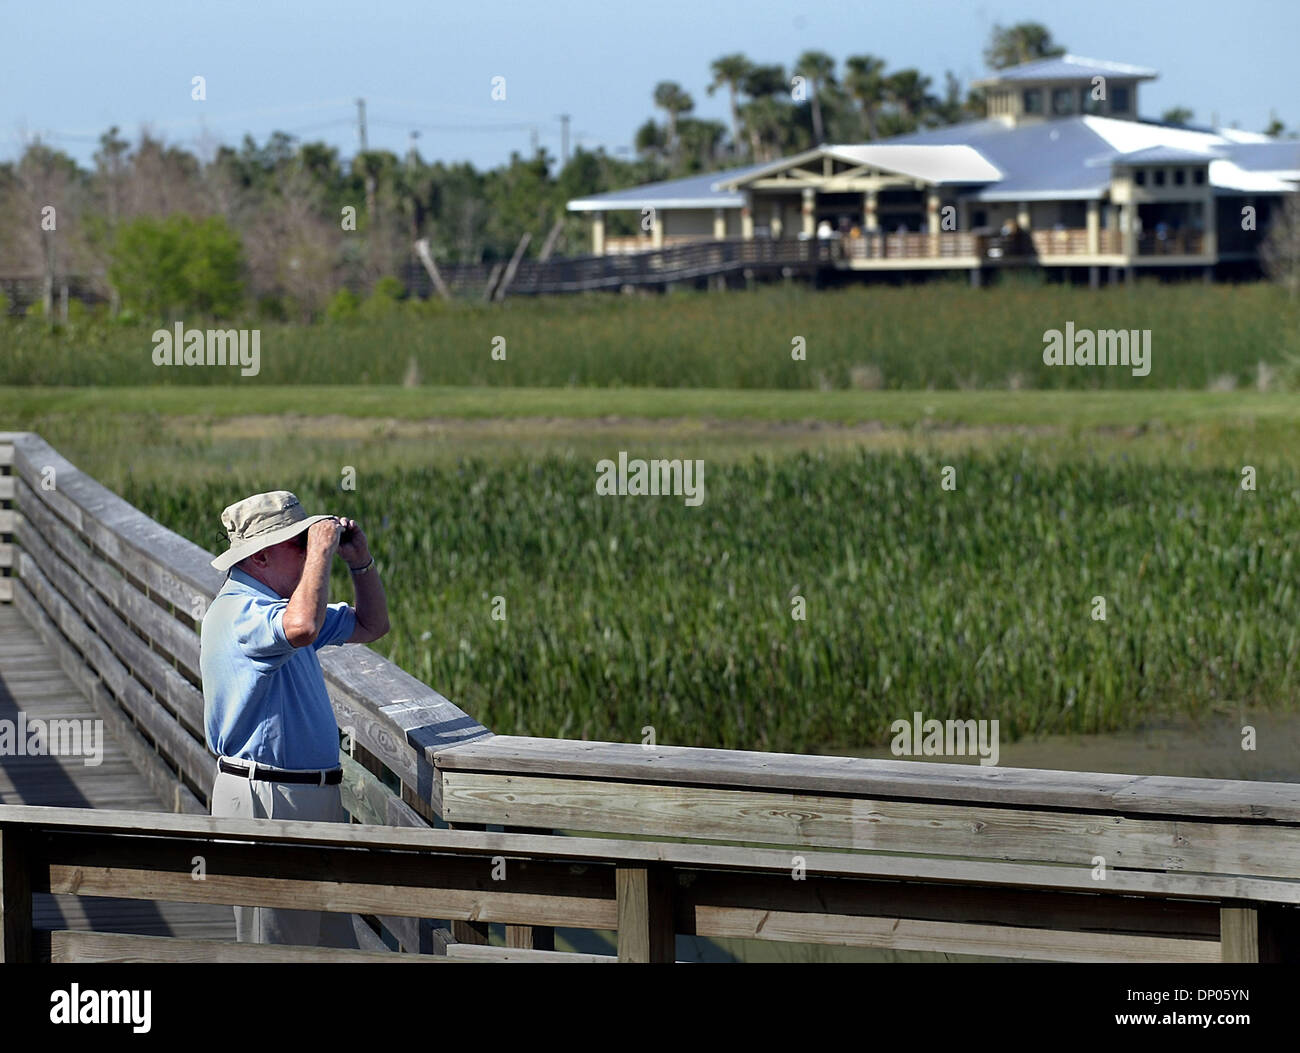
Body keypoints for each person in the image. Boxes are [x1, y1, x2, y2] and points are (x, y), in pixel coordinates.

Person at [201, 490, 391, 947]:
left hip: (305, 797)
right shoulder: (242, 613)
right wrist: (324, 549)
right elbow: (303, 627)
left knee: (329, 953)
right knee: (278, 953)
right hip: (266, 799)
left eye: (309, 542)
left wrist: (359, 562)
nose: (309, 551)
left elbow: (372, 625)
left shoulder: (279, 610)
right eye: (298, 545)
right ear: (261, 557)